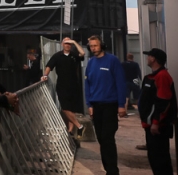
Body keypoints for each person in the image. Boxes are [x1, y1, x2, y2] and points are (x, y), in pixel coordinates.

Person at [84, 35, 126, 175]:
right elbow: (87, 84)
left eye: (95, 45)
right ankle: (108, 168)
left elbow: (120, 83)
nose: (93, 48)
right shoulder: (90, 63)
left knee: (107, 138)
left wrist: (121, 105)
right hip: (96, 105)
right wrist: (89, 104)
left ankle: (113, 171)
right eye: (91, 46)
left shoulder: (112, 61)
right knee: (101, 139)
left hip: (110, 104)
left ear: (102, 45)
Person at [139, 48, 176, 175]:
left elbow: (163, 102)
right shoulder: (152, 77)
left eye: (148, 56)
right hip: (151, 125)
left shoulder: (162, 76)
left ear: (153, 58)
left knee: (160, 160)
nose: (147, 58)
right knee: (154, 159)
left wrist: (156, 122)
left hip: (158, 127)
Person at [42, 37, 86, 137]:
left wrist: (74, 42)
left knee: (72, 109)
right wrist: (45, 75)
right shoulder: (57, 56)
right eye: (66, 43)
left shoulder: (74, 55)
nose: (67, 45)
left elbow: (82, 53)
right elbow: (49, 66)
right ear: (62, 44)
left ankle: (70, 132)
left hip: (74, 85)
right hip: (62, 85)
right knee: (65, 108)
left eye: (69, 44)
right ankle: (79, 126)